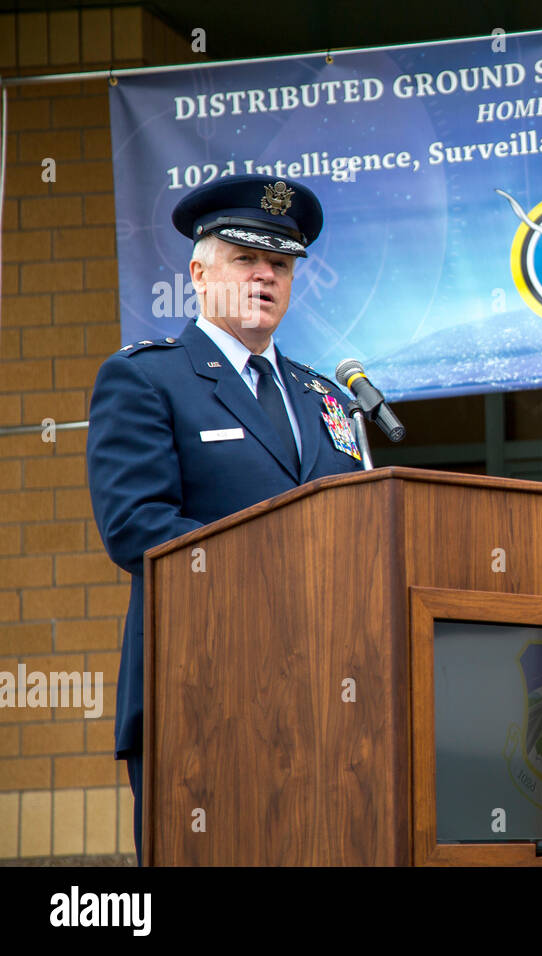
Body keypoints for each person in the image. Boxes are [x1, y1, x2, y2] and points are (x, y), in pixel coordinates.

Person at [86, 175, 366, 864]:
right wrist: (281, 573)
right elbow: (137, 526)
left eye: (281, 263)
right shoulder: (149, 379)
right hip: (203, 694)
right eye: (246, 258)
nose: (266, 275)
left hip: (331, 699)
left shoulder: (325, 396)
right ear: (199, 272)